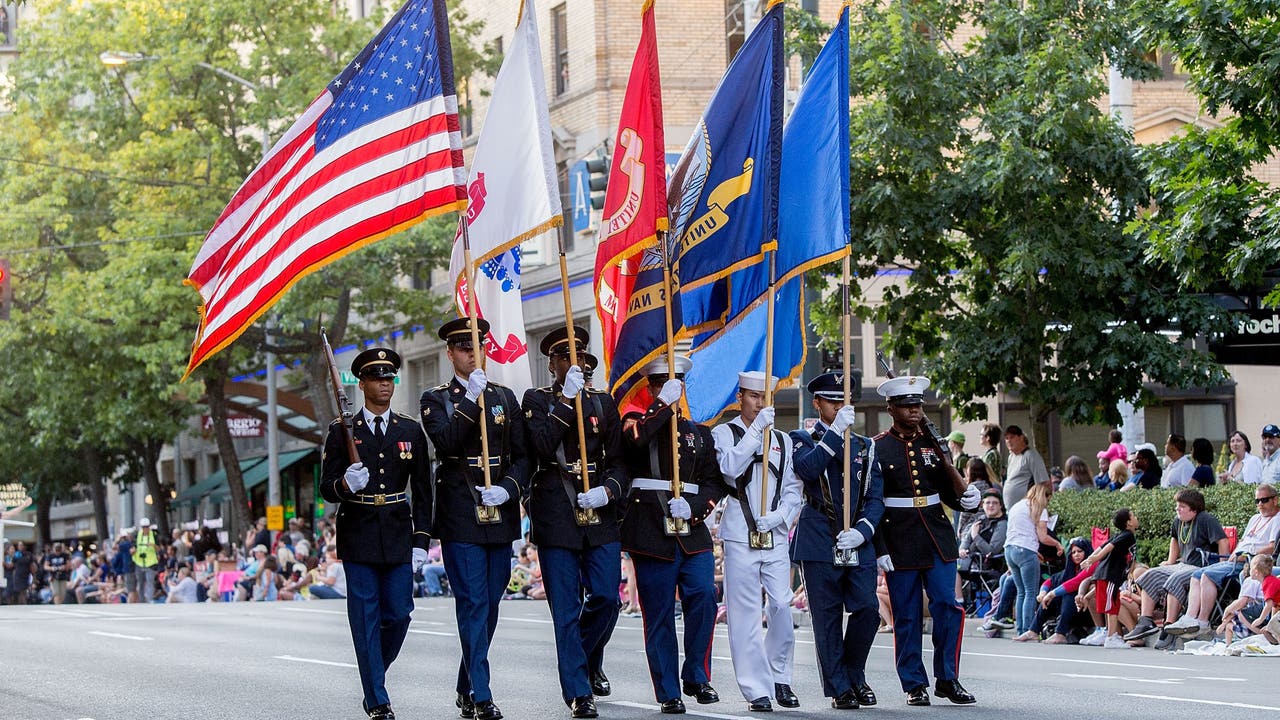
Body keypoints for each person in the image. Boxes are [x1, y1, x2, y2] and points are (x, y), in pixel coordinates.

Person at [420, 318, 528, 720]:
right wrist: (470, 401)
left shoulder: (503, 396)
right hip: (461, 512)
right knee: (472, 602)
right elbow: (446, 441)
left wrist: (510, 488)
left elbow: (523, 455)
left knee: (493, 600)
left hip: (497, 510)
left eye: (477, 346)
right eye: (463, 347)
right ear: (450, 353)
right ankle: (482, 694)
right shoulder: (436, 399)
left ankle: (466, 684)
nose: (471, 352)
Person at [521, 325, 629, 719]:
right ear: (552, 364)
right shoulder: (536, 399)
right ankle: (579, 692)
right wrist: (566, 400)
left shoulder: (602, 402)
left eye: (579, 357)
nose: (573, 364)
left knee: (606, 597)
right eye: (564, 358)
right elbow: (540, 446)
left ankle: (584, 659)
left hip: (598, 510)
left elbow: (620, 461)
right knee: (565, 610)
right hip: (556, 512)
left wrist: (610, 490)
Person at [320, 347, 433, 720]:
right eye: (378, 379)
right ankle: (377, 699)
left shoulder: (409, 429)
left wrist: (422, 540)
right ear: (362, 383)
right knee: (366, 619)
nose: (385, 384)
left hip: (399, 532)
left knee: (399, 614)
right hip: (359, 531)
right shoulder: (343, 430)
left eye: (390, 378)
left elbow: (423, 490)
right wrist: (345, 485)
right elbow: (326, 487)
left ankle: (373, 675)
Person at [619, 354, 726, 715]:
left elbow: (714, 481)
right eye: (661, 382)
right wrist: (661, 404)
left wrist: (696, 511)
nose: (670, 386)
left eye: (675, 381)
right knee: (660, 614)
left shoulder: (699, 432)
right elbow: (635, 442)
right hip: (651, 530)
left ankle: (696, 674)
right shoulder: (635, 420)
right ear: (650, 387)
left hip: (691, 532)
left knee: (704, 597)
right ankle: (668, 690)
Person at [871, 375, 980, 706]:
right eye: (907, 406)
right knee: (906, 614)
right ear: (891, 409)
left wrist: (967, 499)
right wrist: (878, 547)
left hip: (936, 534)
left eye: (918, 405)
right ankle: (914, 683)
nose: (915, 411)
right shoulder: (878, 446)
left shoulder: (933, 443)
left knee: (948, 605)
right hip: (898, 537)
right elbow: (872, 501)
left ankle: (947, 677)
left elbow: (948, 490)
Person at [789, 371, 885, 710]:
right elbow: (808, 470)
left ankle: (854, 673)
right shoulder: (802, 438)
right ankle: (840, 687)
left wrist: (863, 531)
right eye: (833, 401)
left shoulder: (865, 446)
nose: (841, 407)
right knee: (827, 619)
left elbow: (874, 498)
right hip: (817, 538)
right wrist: (832, 434)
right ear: (817, 403)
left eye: (845, 401)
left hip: (856, 541)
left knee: (868, 610)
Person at [713, 371, 802, 712]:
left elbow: (793, 489)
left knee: (781, 604)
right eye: (754, 396)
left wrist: (781, 517)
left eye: (766, 397)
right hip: (740, 532)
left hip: (775, 534)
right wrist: (754, 432)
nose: (761, 403)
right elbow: (730, 469)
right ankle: (756, 689)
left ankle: (779, 674)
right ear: (741, 398)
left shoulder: (784, 440)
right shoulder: (726, 432)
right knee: (744, 614)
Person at [1164, 483, 1280, 636]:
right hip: (1236, 558)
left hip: (1253, 562)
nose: (1260, 504)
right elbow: (1243, 540)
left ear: (1275, 500)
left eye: (1264, 500)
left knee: (1207, 576)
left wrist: (1246, 554)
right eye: (1257, 501)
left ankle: (1203, 621)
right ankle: (1190, 618)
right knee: (1197, 575)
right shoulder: (1254, 519)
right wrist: (1236, 552)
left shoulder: (1277, 518)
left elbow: (1271, 547)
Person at [1124, 488, 1229, 650]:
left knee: (1176, 578)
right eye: (1177, 505)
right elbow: (1174, 540)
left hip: (1200, 566)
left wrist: (1223, 564)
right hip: (1181, 564)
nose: (1177, 509)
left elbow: (1222, 541)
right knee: (1150, 574)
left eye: (1182, 506)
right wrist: (1170, 560)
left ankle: (1169, 625)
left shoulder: (1206, 519)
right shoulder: (1178, 521)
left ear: (1194, 508)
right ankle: (1146, 620)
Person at [1005, 483, 1064, 641]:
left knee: (1021, 592)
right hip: (1025, 551)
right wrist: (1058, 544)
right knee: (1031, 592)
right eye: (1048, 498)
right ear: (1045, 496)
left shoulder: (1017, 506)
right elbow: (1043, 537)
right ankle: (1029, 630)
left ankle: (1020, 630)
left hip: (1009, 549)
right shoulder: (1039, 508)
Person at [1080, 508, 1140, 648]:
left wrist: (1091, 558)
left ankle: (1110, 635)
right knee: (1112, 607)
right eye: (1133, 516)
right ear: (1129, 523)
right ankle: (1111, 637)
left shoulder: (1121, 535)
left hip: (1107, 575)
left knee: (1112, 605)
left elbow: (1103, 546)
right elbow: (1108, 547)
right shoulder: (1127, 536)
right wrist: (1093, 559)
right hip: (1109, 575)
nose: (1136, 517)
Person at [1002, 425, 1049, 509]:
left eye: (1012, 437)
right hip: (1011, 509)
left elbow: (1043, 483)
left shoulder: (1031, 456)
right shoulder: (1011, 457)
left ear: (1021, 438)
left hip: (1026, 508)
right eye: (1006, 438)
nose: (1009, 441)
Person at [131, 518, 160, 603]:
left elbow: (158, 548)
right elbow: (133, 547)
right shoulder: (137, 535)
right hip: (139, 562)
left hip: (150, 562)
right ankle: (142, 600)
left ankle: (150, 600)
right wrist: (133, 551)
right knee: (140, 583)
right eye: (144, 527)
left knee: (150, 582)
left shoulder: (154, 535)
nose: (145, 529)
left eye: (147, 527)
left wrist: (153, 545)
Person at [978, 423, 1004, 491]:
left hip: (991, 488)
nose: (980, 436)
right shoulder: (992, 453)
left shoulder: (991, 455)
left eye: (981, 435)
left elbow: (988, 474)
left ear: (988, 438)